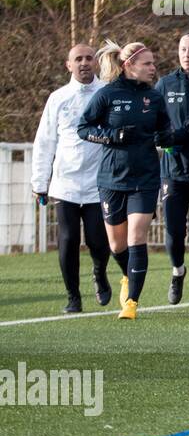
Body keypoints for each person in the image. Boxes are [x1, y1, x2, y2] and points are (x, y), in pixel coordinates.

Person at [77, 41, 177, 320]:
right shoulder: (107, 95)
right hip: (111, 178)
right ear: (129, 65)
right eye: (147, 63)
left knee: (136, 237)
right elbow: (83, 128)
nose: (153, 68)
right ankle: (126, 276)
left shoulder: (154, 97)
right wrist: (111, 135)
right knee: (117, 246)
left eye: (153, 63)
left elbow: (164, 131)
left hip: (145, 178)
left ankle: (131, 302)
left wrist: (170, 137)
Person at [31, 43, 111, 312]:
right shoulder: (58, 98)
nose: (84, 63)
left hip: (98, 184)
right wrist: (39, 183)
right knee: (67, 241)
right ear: (69, 65)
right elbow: (45, 142)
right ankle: (73, 297)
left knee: (98, 240)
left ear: (96, 63)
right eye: (78, 59)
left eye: (89, 58)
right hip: (65, 184)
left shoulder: (107, 94)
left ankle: (99, 274)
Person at [158, 32, 189, 308]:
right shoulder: (165, 84)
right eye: (183, 49)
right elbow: (153, 119)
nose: (187, 54)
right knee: (175, 232)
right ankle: (178, 270)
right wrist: (163, 138)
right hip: (173, 171)